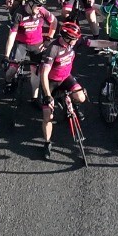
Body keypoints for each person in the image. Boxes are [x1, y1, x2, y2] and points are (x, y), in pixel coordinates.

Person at [38, 23, 86, 158]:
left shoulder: (73, 41)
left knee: (81, 97)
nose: (77, 41)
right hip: (51, 82)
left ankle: (72, 106)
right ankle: (47, 143)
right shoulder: (53, 49)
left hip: (65, 78)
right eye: (74, 38)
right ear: (66, 38)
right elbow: (44, 74)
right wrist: (47, 95)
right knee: (48, 116)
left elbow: (94, 42)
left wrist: (113, 45)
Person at [3, 0, 56, 88]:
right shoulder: (19, 14)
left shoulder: (42, 11)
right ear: (30, 3)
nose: (40, 8)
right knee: (11, 70)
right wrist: (6, 56)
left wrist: (49, 38)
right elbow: (12, 36)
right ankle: (8, 82)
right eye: (38, 5)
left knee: (36, 73)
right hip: (21, 44)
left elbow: (54, 22)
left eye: (42, 5)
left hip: (37, 45)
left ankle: (34, 98)